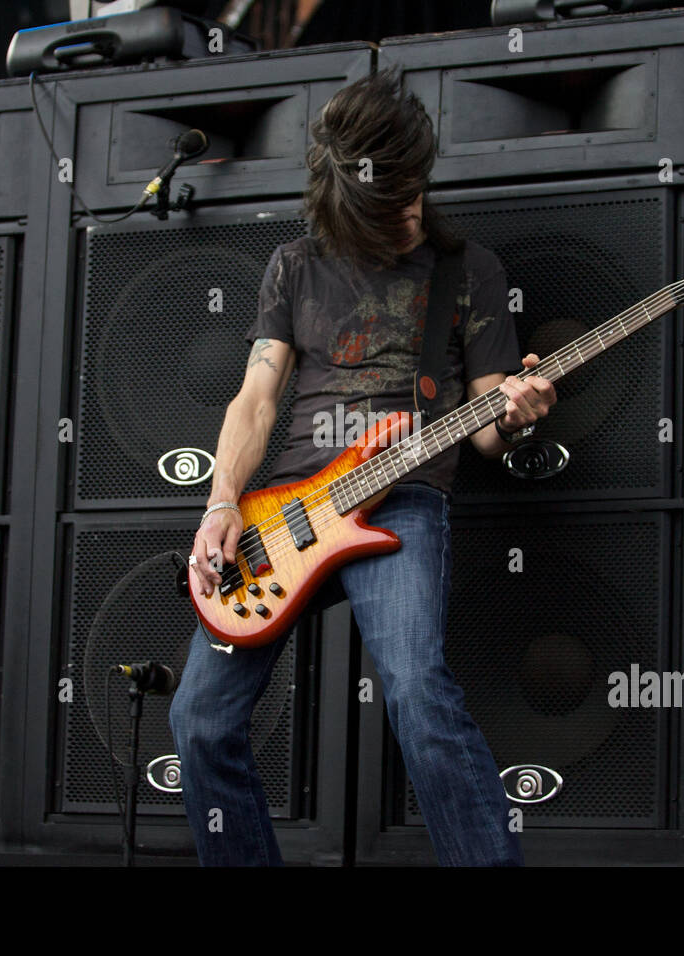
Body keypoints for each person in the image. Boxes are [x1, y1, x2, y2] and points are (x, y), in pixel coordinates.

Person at [169, 69, 556, 866]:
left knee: (417, 692)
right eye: (393, 209)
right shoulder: (295, 265)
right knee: (198, 719)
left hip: (404, 500)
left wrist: (514, 420)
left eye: (417, 196)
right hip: (286, 515)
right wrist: (222, 503)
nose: (412, 215)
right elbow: (256, 398)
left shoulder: (468, 270)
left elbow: (487, 429)